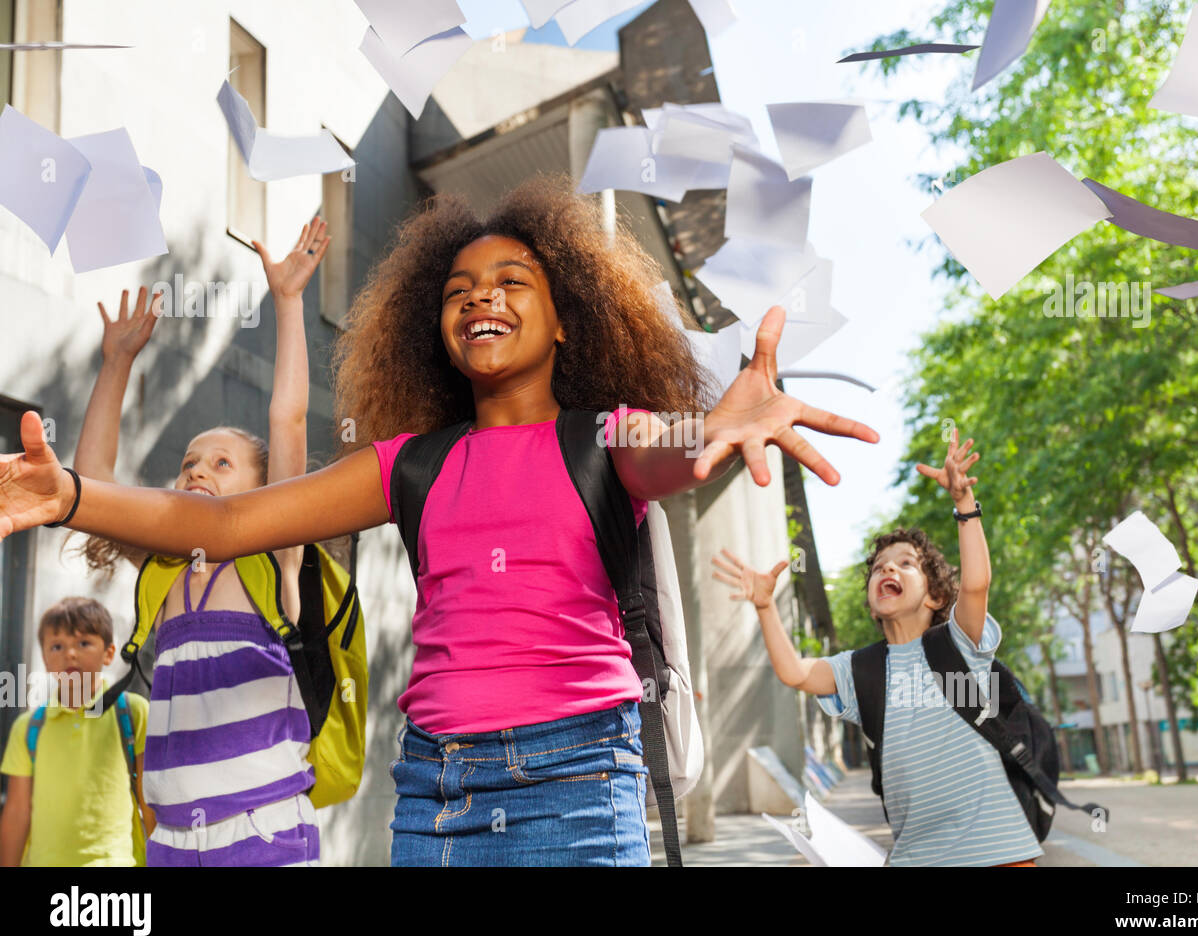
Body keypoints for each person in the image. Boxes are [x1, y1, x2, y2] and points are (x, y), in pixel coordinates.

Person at [0, 175, 878, 866]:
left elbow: (672, 451)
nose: (478, 297)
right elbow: (226, 524)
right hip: (434, 789)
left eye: (510, 281)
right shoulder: (409, 465)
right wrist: (68, 493)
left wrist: (718, 426)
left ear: (566, 319)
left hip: (578, 780)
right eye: (458, 289)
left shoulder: (606, 439)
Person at [67, 218, 331, 866]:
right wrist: (117, 362)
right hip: (174, 842)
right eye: (190, 461)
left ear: (262, 486)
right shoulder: (164, 565)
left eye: (220, 463)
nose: (196, 471)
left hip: (264, 833)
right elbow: (91, 488)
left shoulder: (274, 553)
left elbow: (287, 418)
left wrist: (290, 302)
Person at [711, 428, 1043, 866]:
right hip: (918, 857)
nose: (889, 568)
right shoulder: (860, 669)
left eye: (906, 564)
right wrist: (765, 606)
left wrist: (964, 505)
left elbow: (977, 583)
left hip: (999, 852)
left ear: (935, 597)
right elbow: (793, 671)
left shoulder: (960, 641)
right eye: (880, 567)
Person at [0, 597, 151, 866]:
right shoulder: (27, 728)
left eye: (83, 643)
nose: (70, 654)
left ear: (109, 652)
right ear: (45, 660)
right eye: (57, 646)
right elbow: (16, 812)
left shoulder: (133, 712)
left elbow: (151, 799)